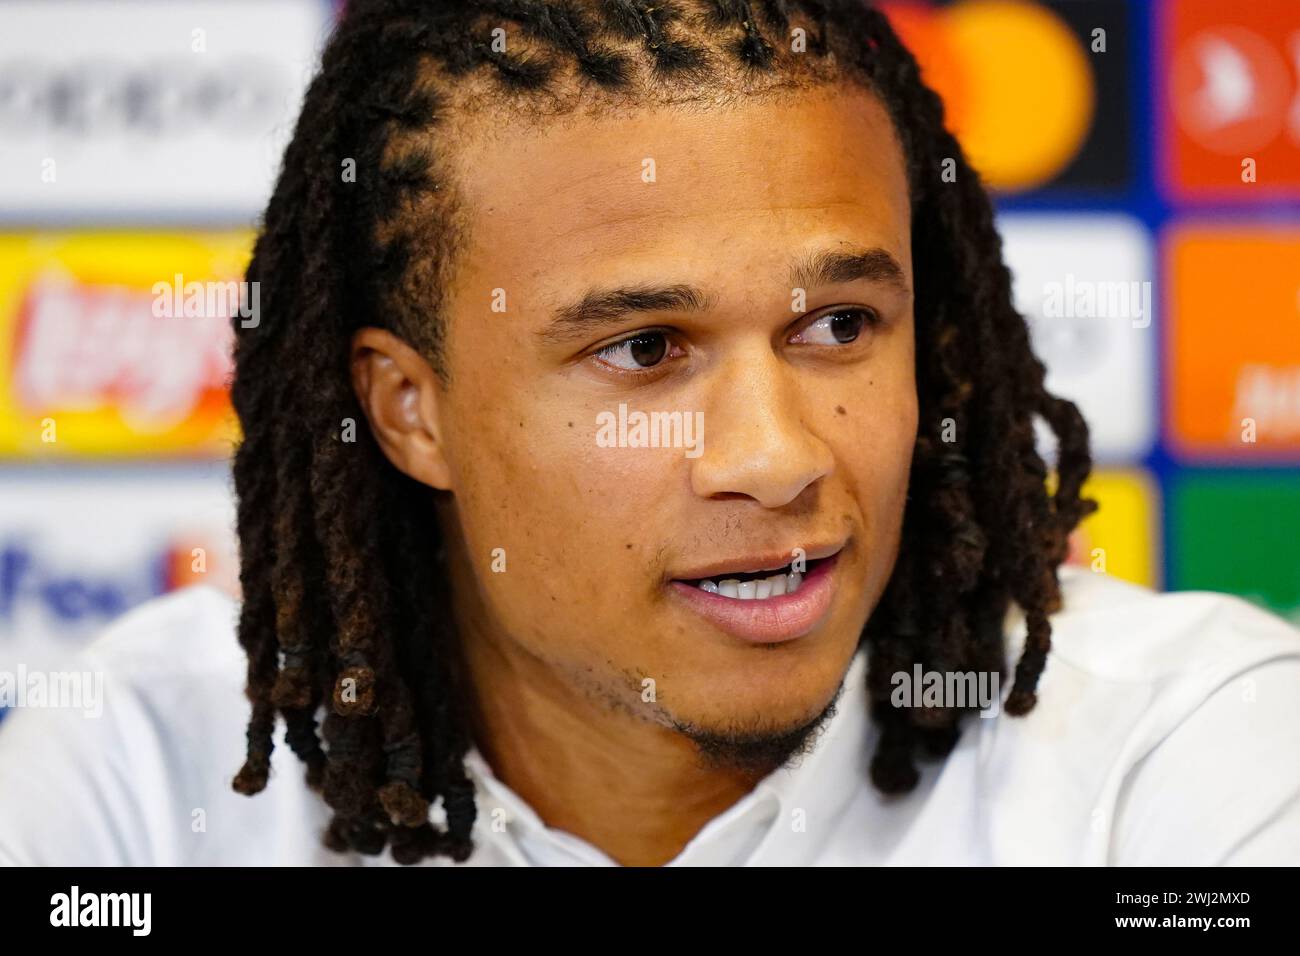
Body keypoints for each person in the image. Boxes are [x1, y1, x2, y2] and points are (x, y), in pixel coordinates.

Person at [1, 0, 1297, 867]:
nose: (778, 456)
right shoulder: (140, 774)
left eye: (839, 325)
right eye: (644, 350)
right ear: (411, 410)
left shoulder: (1180, 754)